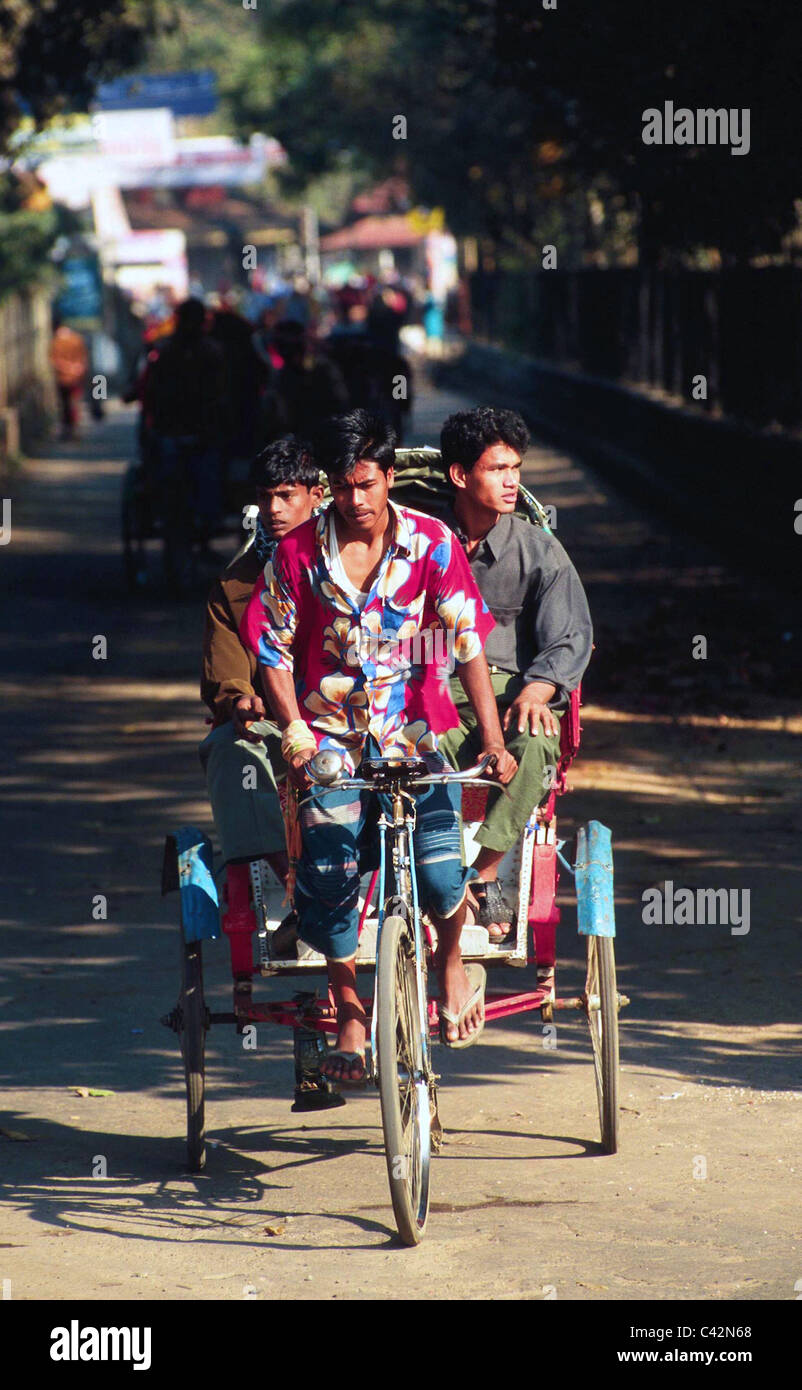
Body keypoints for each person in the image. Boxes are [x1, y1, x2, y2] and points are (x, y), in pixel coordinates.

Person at [240, 408, 517, 1084]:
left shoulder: (432, 543)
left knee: (444, 873)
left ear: (389, 478)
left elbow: (468, 644)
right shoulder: (296, 554)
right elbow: (272, 649)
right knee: (329, 877)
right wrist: (295, 731)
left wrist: (492, 739)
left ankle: (451, 965)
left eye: (367, 484)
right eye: (343, 487)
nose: (356, 501)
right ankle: (349, 1008)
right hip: (328, 737)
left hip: (414, 734)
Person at [437, 407, 593, 940]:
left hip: (511, 693)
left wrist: (540, 686)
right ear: (461, 476)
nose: (512, 481)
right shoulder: (419, 543)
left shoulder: (538, 548)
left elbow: (571, 634)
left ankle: (480, 876)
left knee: (536, 736)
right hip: (431, 695)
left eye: (516, 469)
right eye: (497, 469)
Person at [200, 436, 324, 934]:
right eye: (266, 496)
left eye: (287, 495)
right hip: (277, 728)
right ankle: (292, 885)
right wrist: (240, 701)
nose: (274, 509)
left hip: (362, 717)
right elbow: (224, 672)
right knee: (230, 749)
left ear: (317, 494)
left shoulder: (355, 559)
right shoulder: (234, 587)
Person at [50, 320, 88, 440]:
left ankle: (70, 429)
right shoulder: (73, 340)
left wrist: (71, 368)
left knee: (69, 404)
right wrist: (75, 368)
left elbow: (54, 360)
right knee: (69, 404)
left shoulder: (58, 342)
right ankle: (70, 429)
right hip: (69, 377)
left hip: (68, 377)